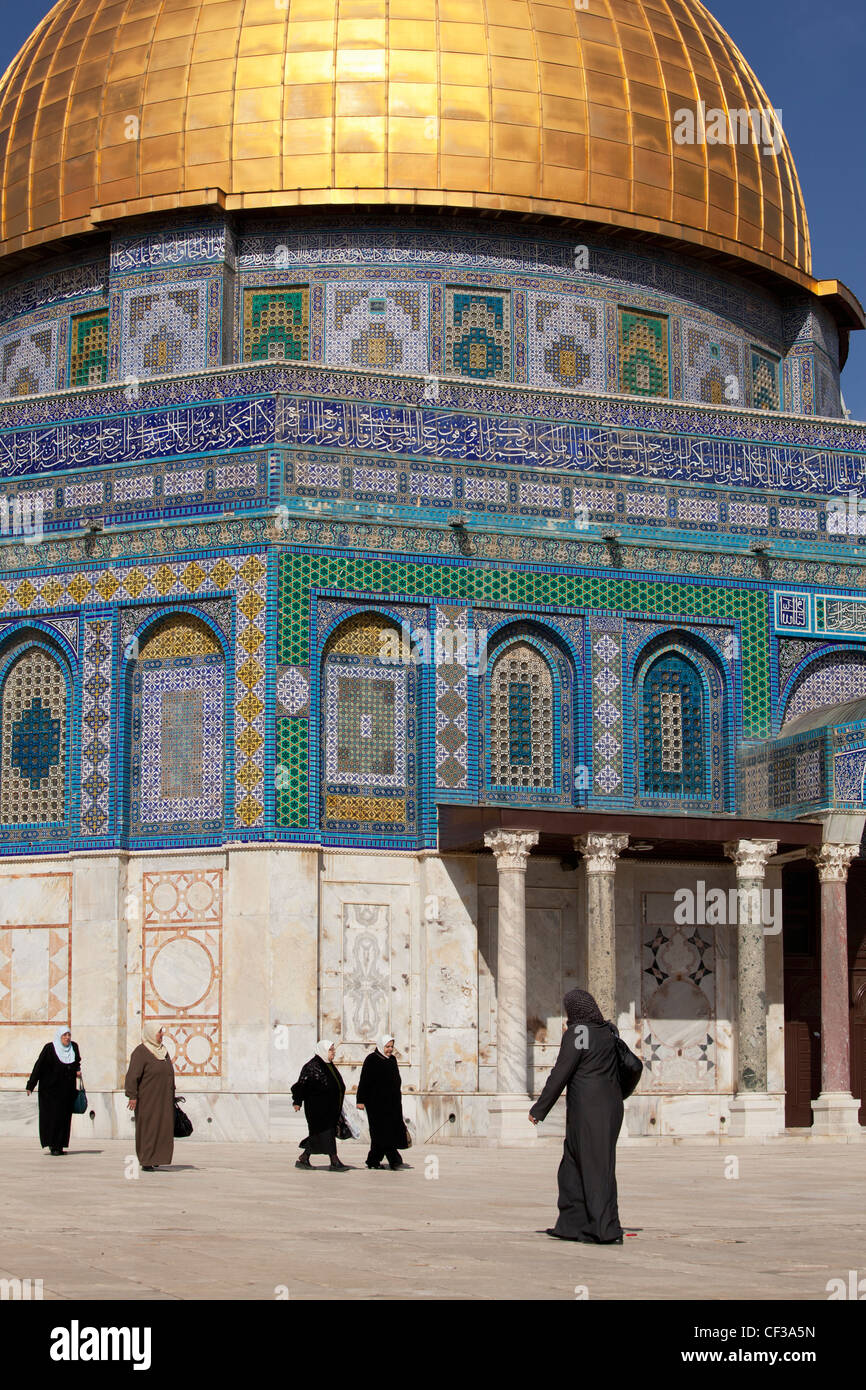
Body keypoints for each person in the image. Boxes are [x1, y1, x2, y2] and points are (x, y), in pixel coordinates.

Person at [529, 988, 624, 1244]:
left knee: (595, 1169)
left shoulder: (579, 1033)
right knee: (572, 1167)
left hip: (590, 1110)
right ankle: (571, 1225)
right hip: (608, 1108)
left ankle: (604, 1230)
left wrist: (539, 1110)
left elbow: (561, 1072)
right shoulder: (607, 1031)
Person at [125, 1023, 175, 1171]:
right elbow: (132, 1076)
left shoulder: (163, 1052)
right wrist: (132, 1095)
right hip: (148, 1099)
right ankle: (146, 1159)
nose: (161, 1035)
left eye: (161, 1032)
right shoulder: (141, 1052)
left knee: (162, 1127)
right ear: (151, 1034)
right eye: (159, 1032)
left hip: (163, 1098)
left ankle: (158, 1157)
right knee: (148, 1128)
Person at [292, 1040, 349, 1171]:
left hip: (329, 1108)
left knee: (319, 1135)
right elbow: (301, 1085)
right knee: (326, 1133)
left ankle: (304, 1157)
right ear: (323, 1050)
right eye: (330, 1050)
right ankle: (334, 1161)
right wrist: (297, 1101)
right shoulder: (312, 1066)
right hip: (317, 1108)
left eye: (333, 1050)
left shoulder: (328, 1064)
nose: (333, 1052)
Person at [26, 1027, 82, 1155]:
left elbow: (77, 1061)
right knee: (53, 1118)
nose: (67, 1037)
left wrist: (77, 1070)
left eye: (69, 1035)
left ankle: (60, 1145)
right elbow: (38, 1066)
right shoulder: (50, 1049)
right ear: (59, 1036)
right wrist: (31, 1085)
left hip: (67, 1090)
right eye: (64, 1035)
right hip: (50, 1091)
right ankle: (53, 1145)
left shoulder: (74, 1047)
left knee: (64, 1118)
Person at [356, 1035, 409, 1170]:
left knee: (388, 1131)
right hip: (375, 1104)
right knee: (380, 1132)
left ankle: (373, 1160)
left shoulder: (392, 1060)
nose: (389, 1049)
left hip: (391, 1103)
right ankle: (393, 1159)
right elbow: (364, 1081)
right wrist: (360, 1100)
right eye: (387, 1047)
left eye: (391, 1046)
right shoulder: (371, 1060)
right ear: (381, 1046)